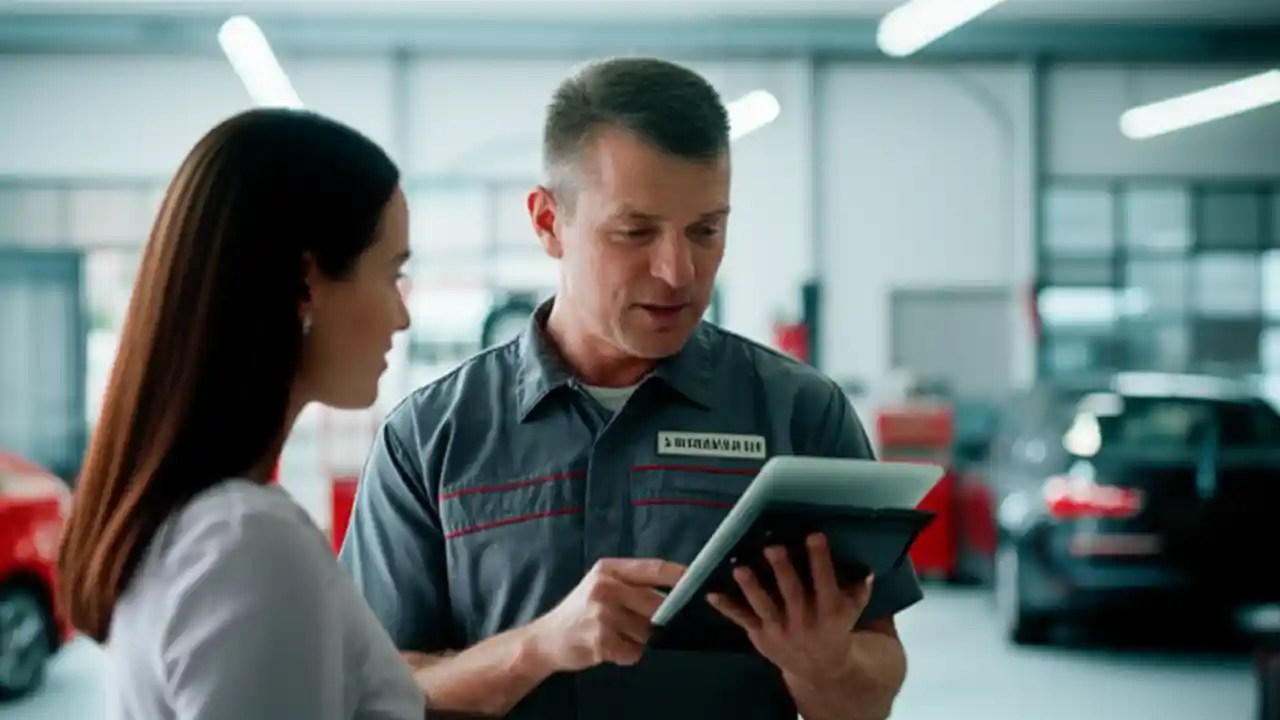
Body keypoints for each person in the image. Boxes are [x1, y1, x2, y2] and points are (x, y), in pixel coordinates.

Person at [340, 57, 920, 720]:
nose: (678, 271)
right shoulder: (430, 436)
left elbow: (873, 685)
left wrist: (826, 665)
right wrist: (537, 648)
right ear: (547, 222)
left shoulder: (801, 414)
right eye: (634, 232)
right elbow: (374, 693)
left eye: (707, 230)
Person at [56, 108, 426, 720]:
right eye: (392, 274)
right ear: (307, 283)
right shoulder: (248, 543)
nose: (401, 316)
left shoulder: (199, 526)